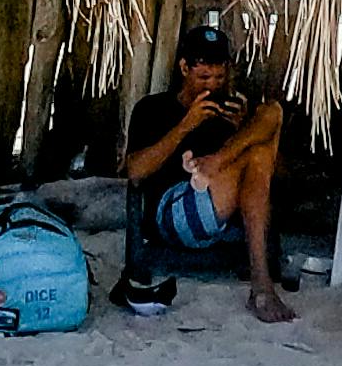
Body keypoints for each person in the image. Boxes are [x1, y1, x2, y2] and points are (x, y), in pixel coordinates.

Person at [118, 24, 294, 324]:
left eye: (219, 77)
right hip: (174, 213)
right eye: (204, 77)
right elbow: (134, 173)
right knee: (256, 146)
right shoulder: (153, 107)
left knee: (269, 116)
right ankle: (261, 286)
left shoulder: (232, 109)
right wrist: (187, 124)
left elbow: (278, 177)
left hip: (223, 207)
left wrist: (241, 130)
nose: (212, 85)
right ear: (184, 68)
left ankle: (213, 164)